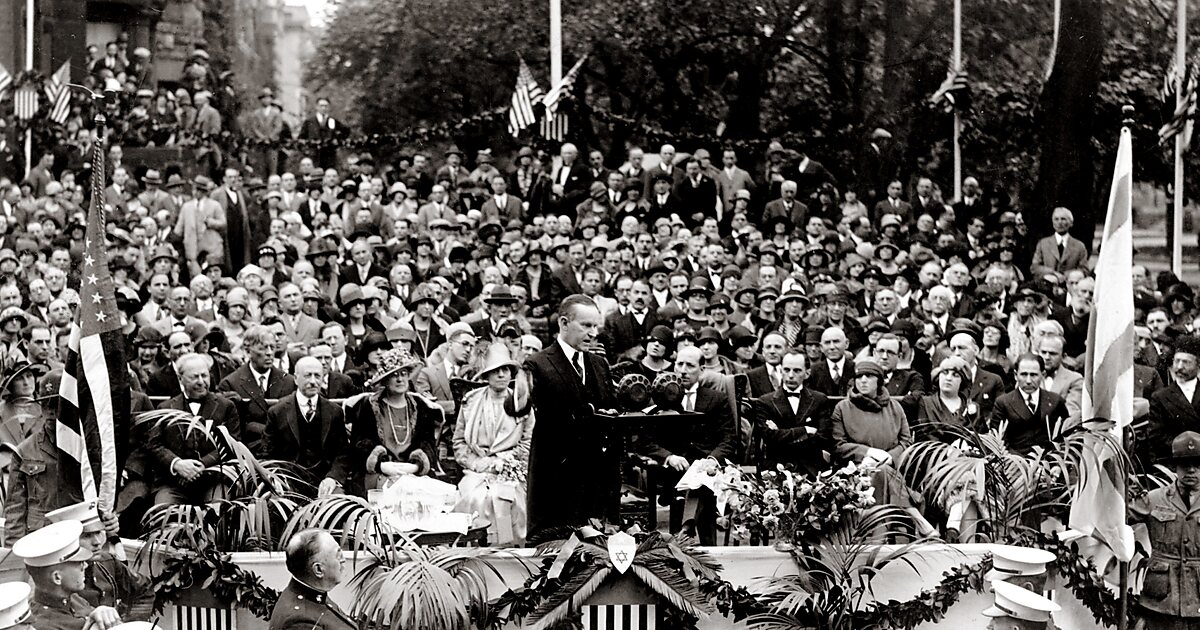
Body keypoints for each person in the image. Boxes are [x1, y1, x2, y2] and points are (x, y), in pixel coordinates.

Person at [524, 295, 616, 542]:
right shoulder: (537, 364)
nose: (593, 333)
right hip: (555, 480)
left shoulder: (599, 364)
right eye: (586, 326)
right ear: (564, 323)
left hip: (595, 482)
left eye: (596, 326)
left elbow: (610, 409)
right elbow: (524, 408)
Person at [643, 346, 737, 544]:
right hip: (673, 469)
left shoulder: (716, 399)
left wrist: (712, 460)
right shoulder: (660, 400)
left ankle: (683, 533)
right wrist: (669, 457)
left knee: (702, 478)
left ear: (702, 369)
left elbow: (729, 439)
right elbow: (645, 441)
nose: (683, 370)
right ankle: (702, 540)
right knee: (695, 481)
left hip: (707, 468)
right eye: (679, 364)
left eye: (690, 365)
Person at [830, 359, 932, 535]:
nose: (862, 380)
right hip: (855, 472)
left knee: (883, 470)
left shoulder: (895, 407)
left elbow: (906, 440)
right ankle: (914, 516)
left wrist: (889, 456)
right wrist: (867, 452)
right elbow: (838, 445)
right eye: (859, 376)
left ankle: (879, 535)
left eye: (868, 376)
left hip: (891, 466)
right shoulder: (843, 408)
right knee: (880, 472)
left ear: (879, 380)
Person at [452, 343, 535, 545]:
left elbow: (528, 443)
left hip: (510, 471)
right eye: (495, 371)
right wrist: (476, 463)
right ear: (486, 376)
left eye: (505, 369)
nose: (501, 375)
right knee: (475, 498)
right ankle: (475, 552)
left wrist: (503, 461)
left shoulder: (522, 403)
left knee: (508, 499)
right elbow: (459, 442)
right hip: (477, 470)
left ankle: (509, 550)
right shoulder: (470, 402)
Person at [346, 348, 441, 495]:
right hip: (379, 472)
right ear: (385, 380)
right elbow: (359, 444)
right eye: (394, 375)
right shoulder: (369, 406)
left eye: (404, 374)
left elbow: (428, 443)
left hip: (412, 472)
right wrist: (381, 465)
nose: (400, 379)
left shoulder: (420, 406)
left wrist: (416, 466)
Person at [1131, 430, 1200, 630]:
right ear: (1174, 466)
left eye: (1197, 464)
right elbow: (1114, 520)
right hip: (1161, 602)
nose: (1191, 471)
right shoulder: (1153, 499)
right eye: (1184, 465)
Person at [151, 353, 241, 505]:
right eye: (194, 377)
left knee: (218, 507)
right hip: (174, 484)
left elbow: (232, 444)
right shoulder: (165, 408)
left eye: (204, 376)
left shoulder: (226, 406)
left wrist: (202, 465)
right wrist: (177, 464)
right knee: (163, 510)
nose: (201, 382)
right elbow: (155, 445)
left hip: (214, 481)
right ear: (180, 379)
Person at [44, 502, 152, 622]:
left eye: (99, 532)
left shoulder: (107, 562)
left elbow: (144, 589)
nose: (97, 542)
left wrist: (130, 623)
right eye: (86, 536)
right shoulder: (58, 576)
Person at [262, 357, 350, 497]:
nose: (313, 381)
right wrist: (276, 478)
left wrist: (332, 478)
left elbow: (342, 453)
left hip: (324, 481)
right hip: (289, 482)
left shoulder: (334, 411)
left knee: (338, 507)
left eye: (317, 376)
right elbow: (267, 454)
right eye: (308, 376)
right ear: (296, 379)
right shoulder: (277, 412)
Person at [13, 520, 122, 630]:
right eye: (78, 563)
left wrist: (102, 611)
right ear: (57, 577)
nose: (85, 565)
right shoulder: (44, 625)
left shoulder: (73, 598)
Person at [755, 350, 830, 475]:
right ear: (781, 371)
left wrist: (781, 432)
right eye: (786, 370)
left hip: (812, 469)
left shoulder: (819, 400)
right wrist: (805, 430)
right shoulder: (765, 402)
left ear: (807, 373)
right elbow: (768, 437)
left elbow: (822, 438)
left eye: (797, 370)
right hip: (776, 469)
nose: (790, 375)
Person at [270, 529, 356, 630]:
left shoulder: (313, 594)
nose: (343, 560)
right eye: (338, 556)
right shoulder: (300, 622)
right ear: (319, 569)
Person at [989, 354, 1069, 455]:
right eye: (1023, 374)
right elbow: (997, 441)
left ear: (1043, 375)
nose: (1028, 381)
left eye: (1033, 375)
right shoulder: (1003, 403)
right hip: (1015, 464)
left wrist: (1057, 465)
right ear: (1015, 375)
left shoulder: (1055, 401)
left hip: (1049, 463)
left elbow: (1066, 437)